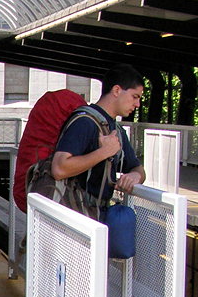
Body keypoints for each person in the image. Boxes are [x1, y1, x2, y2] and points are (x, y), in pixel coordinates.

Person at [51, 65, 146, 208]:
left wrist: (136, 176)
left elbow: (138, 168)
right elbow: (59, 169)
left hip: (96, 214)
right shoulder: (84, 122)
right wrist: (104, 152)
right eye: (135, 96)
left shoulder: (117, 130)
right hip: (74, 215)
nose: (137, 104)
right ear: (116, 90)